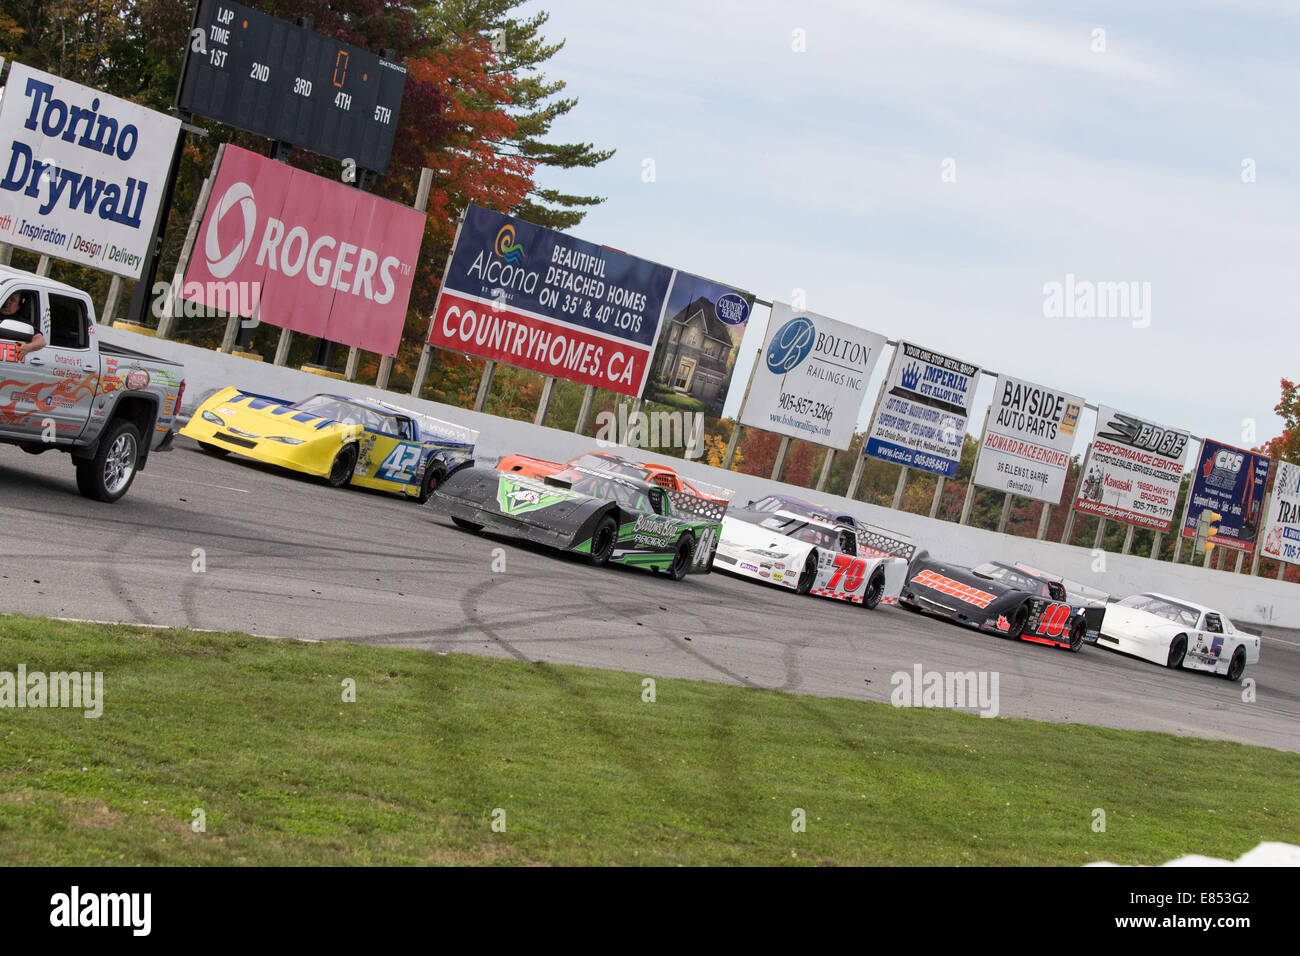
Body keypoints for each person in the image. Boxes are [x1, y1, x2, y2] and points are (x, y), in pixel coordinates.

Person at [0, 291, 46, 359]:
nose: (8, 302)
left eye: (12, 300)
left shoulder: (22, 322)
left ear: (18, 306)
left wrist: (28, 347)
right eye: (7, 298)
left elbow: (41, 341)